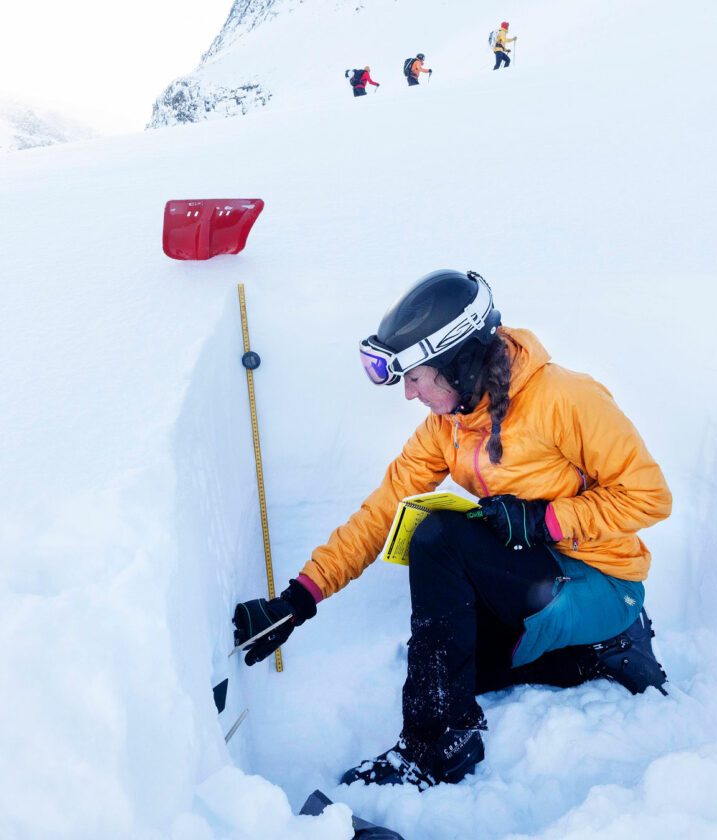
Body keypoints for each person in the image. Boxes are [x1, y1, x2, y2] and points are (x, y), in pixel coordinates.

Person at [233, 270, 672, 790]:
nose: (409, 394)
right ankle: (599, 653)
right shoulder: (450, 426)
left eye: (416, 377)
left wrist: (546, 520)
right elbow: (380, 512)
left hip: (601, 579)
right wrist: (299, 598)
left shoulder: (566, 399)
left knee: (440, 537)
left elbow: (650, 497)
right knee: (457, 668)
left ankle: (439, 746)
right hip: (545, 582)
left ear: (458, 364)